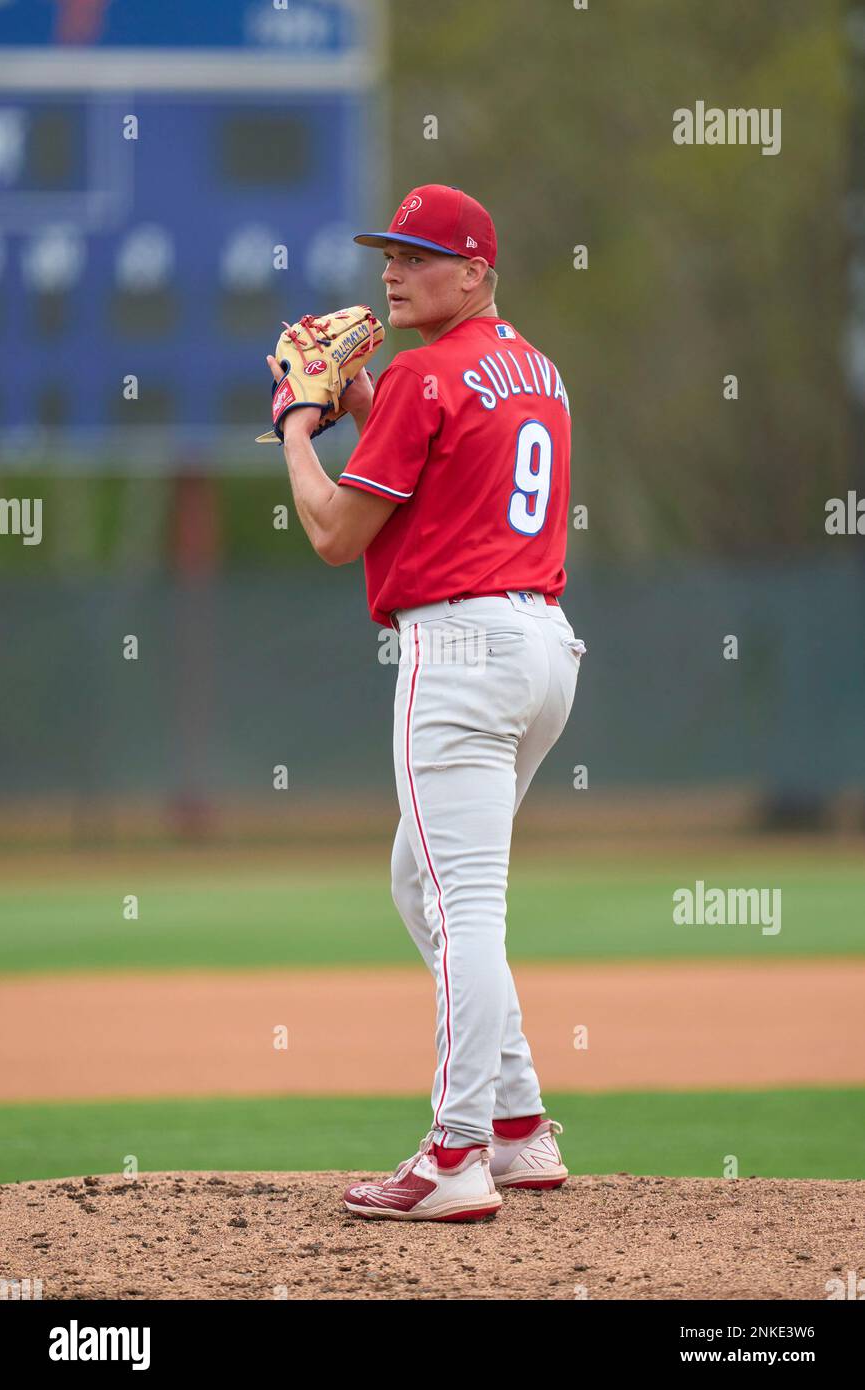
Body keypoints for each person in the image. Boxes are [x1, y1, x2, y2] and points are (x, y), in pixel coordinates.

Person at [268, 184, 585, 1222]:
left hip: (456, 651)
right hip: (541, 647)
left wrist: (296, 424)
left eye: (417, 255)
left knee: (461, 905)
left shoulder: (420, 375)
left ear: (476, 269)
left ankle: (453, 1156)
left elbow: (330, 533)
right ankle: (518, 1124)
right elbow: (446, 473)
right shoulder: (533, 370)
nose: (392, 270)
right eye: (388, 253)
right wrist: (368, 404)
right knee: (423, 880)